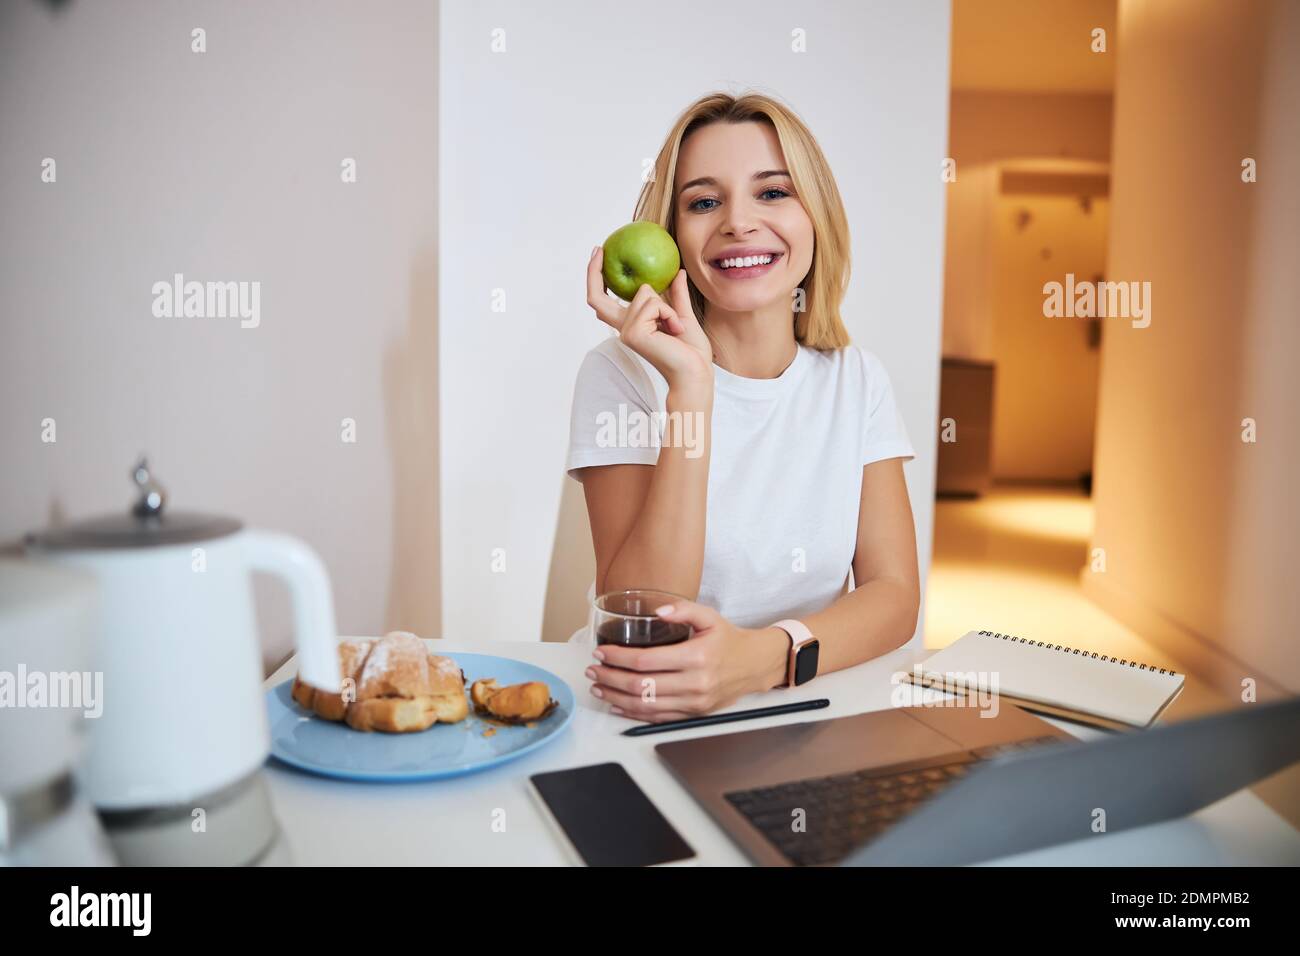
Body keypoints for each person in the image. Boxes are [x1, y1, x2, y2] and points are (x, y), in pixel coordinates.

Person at [566, 92, 919, 723]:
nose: (738, 222)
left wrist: (761, 661)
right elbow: (641, 616)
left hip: (795, 706)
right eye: (704, 201)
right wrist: (692, 389)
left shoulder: (858, 381)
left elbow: (894, 597)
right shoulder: (621, 376)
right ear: (671, 239)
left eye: (773, 192)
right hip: (642, 716)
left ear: (817, 217)